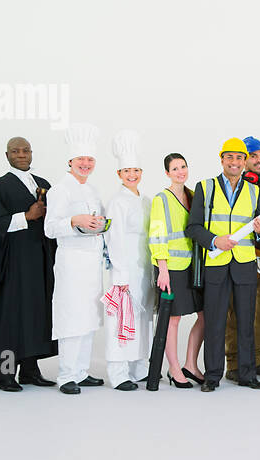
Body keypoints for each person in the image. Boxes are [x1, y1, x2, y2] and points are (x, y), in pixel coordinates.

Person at [185, 138, 260, 392]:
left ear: (245, 162)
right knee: (215, 321)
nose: (235, 162)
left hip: (244, 265)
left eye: (239, 158)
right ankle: (212, 376)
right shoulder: (205, 187)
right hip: (216, 264)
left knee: (246, 321)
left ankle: (247, 374)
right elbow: (193, 228)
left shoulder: (254, 191)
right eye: (230, 157)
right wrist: (214, 241)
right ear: (222, 159)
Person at [0, 137, 58, 391]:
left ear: (32, 153)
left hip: (39, 260)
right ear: (7, 155)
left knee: (35, 313)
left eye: (25, 150)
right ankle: (5, 373)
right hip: (10, 262)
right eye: (15, 151)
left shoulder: (43, 185)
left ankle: (30, 370)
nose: (21, 154)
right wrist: (27, 216)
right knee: (9, 317)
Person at [43, 123, 109, 395]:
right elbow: (49, 228)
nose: (85, 163)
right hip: (71, 263)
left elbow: (99, 223)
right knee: (72, 318)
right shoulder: (60, 189)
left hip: (91, 265)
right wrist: (74, 220)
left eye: (90, 159)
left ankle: (81, 372)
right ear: (70, 161)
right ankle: (67, 375)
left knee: (89, 317)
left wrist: (101, 223)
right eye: (81, 159)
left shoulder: (92, 190)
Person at [102, 130, 155, 391]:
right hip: (125, 269)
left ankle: (139, 368)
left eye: (136, 170)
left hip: (144, 268)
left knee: (143, 319)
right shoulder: (116, 203)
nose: (132, 175)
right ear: (119, 175)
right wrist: (121, 274)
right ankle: (119, 372)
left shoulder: (146, 201)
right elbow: (113, 240)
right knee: (122, 319)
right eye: (126, 171)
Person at [225, 136, 260, 380]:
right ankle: (234, 363)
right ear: (244, 159)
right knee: (237, 311)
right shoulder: (236, 184)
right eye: (254, 156)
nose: (259, 160)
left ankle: (256, 358)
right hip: (242, 257)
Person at [149, 153, 205, 389]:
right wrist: (162, 269)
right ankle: (173, 369)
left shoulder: (192, 196)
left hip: (194, 267)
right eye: (175, 168)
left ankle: (190, 364)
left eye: (183, 166)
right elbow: (157, 234)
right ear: (167, 173)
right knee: (173, 319)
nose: (180, 171)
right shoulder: (161, 199)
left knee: (205, 316)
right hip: (170, 268)